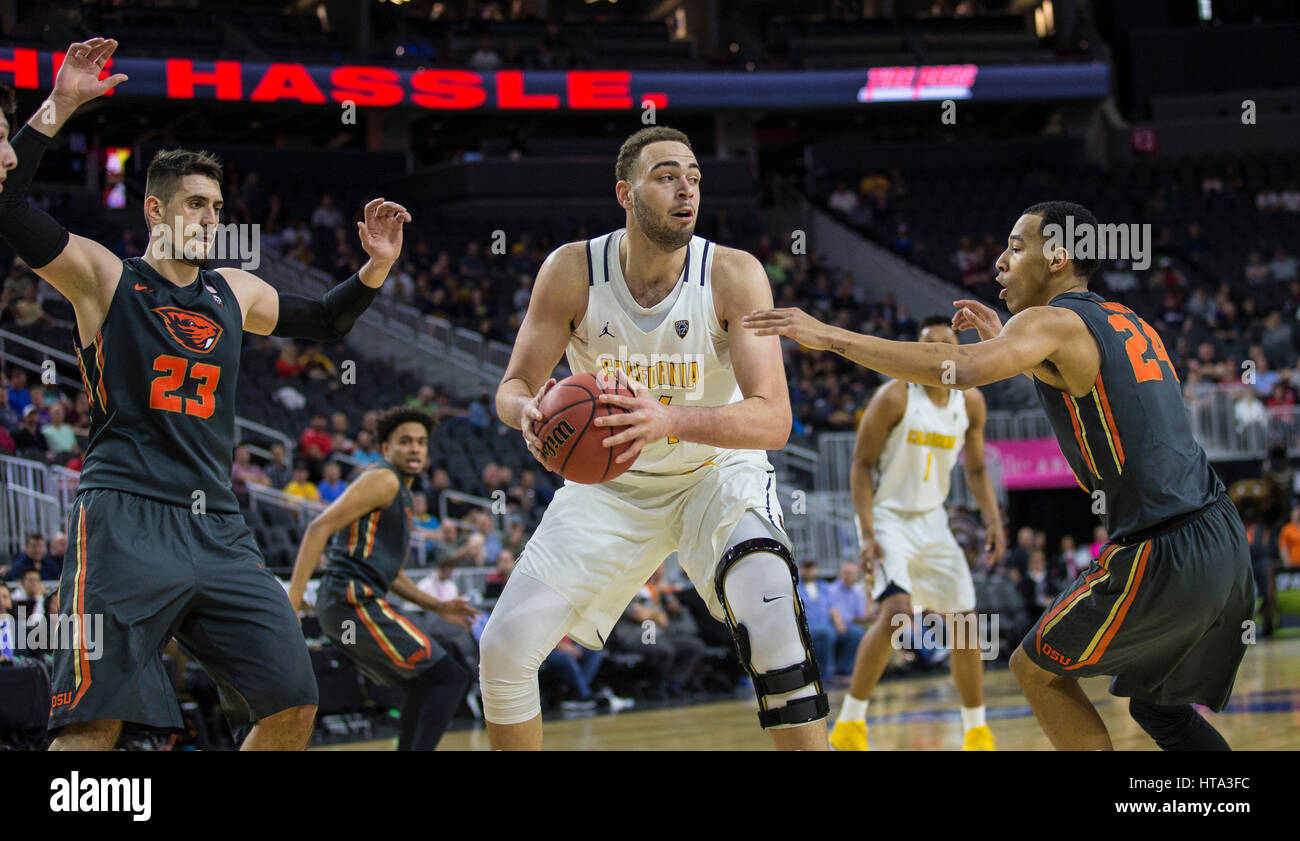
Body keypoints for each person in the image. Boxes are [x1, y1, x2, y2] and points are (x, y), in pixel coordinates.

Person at [0, 40, 411, 750]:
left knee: (292, 699)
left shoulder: (234, 291)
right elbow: (9, 208)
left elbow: (327, 321)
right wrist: (58, 106)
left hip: (218, 524)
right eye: (195, 204)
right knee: (93, 722)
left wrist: (373, 268)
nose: (211, 218)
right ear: (154, 210)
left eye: (217, 207)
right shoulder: (104, 276)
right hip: (124, 515)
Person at [747, 200, 1255, 751]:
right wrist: (1008, 342)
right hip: (1222, 536)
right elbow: (1082, 377)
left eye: (1016, 247)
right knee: (1160, 708)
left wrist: (831, 337)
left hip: (1163, 544)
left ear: (1058, 256)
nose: (999, 263)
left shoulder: (1051, 321)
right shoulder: (1123, 319)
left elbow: (960, 370)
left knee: (1037, 670)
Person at [481, 126, 828, 750]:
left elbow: (774, 419)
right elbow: (512, 385)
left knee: (773, 621)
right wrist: (526, 411)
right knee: (504, 648)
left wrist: (669, 420)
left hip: (717, 475)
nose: (685, 188)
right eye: (667, 175)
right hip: (612, 487)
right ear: (626, 192)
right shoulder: (570, 270)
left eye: (693, 176)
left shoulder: (733, 274)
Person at [829, 315, 1007, 751]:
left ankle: (976, 731)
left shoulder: (970, 403)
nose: (937, 353)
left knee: (965, 624)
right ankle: (850, 725)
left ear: (958, 351)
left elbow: (978, 469)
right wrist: (868, 533)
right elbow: (861, 465)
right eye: (928, 345)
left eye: (946, 345)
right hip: (887, 517)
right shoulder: (894, 396)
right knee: (896, 613)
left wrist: (994, 520)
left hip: (932, 520)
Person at [288, 408, 480, 751]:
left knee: (424, 685)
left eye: (421, 442)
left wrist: (438, 606)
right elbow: (318, 527)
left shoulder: (402, 495)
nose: (415, 449)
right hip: (350, 599)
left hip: (353, 602)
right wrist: (293, 600)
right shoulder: (385, 479)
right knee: (450, 679)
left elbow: (393, 575)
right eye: (405, 442)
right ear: (386, 448)